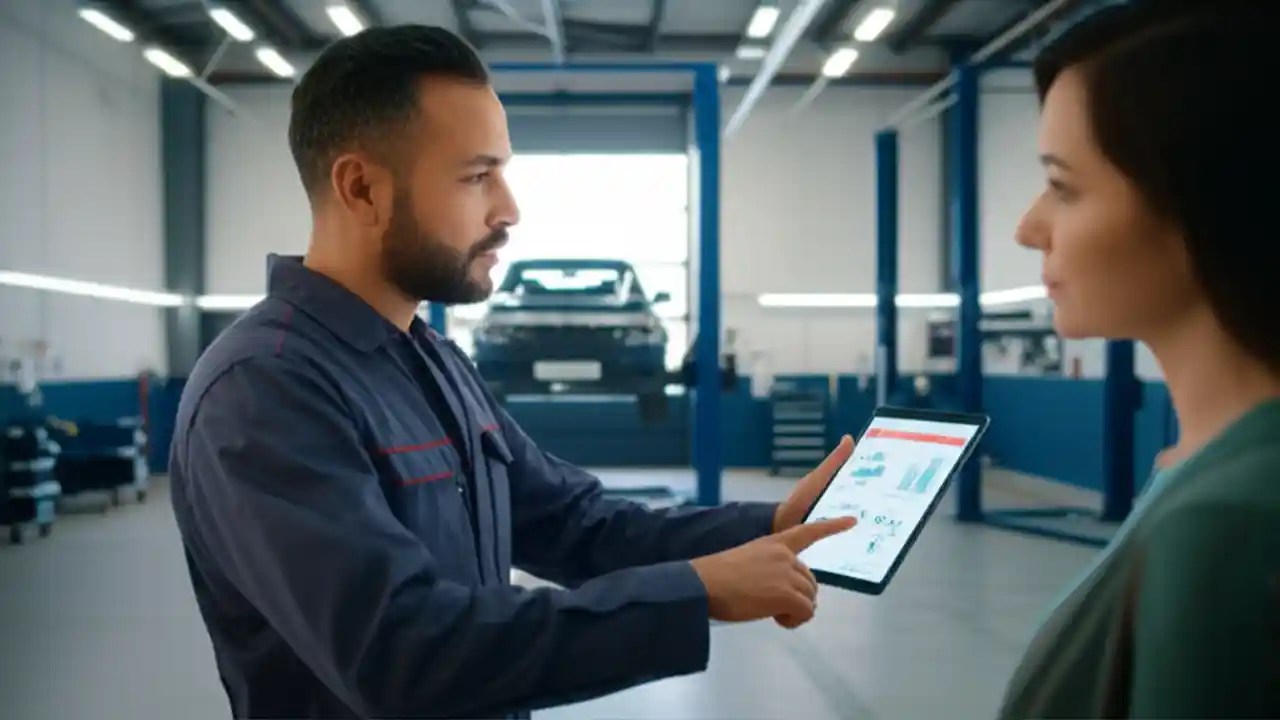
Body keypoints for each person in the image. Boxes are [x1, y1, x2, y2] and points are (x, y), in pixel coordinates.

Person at [168, 25, 856, 720]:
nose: (509, 209)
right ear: (362, 188)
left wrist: (769, 523)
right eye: (476, 176)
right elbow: (400, 650)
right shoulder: (266, 389)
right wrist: (692, 592)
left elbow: (573, 524)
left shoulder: (430, 359)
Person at [1001, 1, 1280, 717]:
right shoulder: (1202, 472)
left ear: (1202, 203)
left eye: (1063, 187)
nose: (1029, 228)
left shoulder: (1231, 524)